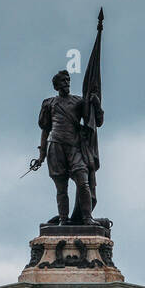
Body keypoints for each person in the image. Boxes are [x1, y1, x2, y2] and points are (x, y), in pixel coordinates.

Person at [31, 70, 104, 225]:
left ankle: (87, 217)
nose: (67, 84)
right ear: (56, 85)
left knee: (83, 182)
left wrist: (96, 104)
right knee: (61, 187)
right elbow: (45, 130)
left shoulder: (79, 102)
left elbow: (96, 122)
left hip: (75, 147)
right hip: (55, 146)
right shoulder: (49, 103)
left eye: (68, 80)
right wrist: (41, 156)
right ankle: (63, 220)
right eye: (63, 81)